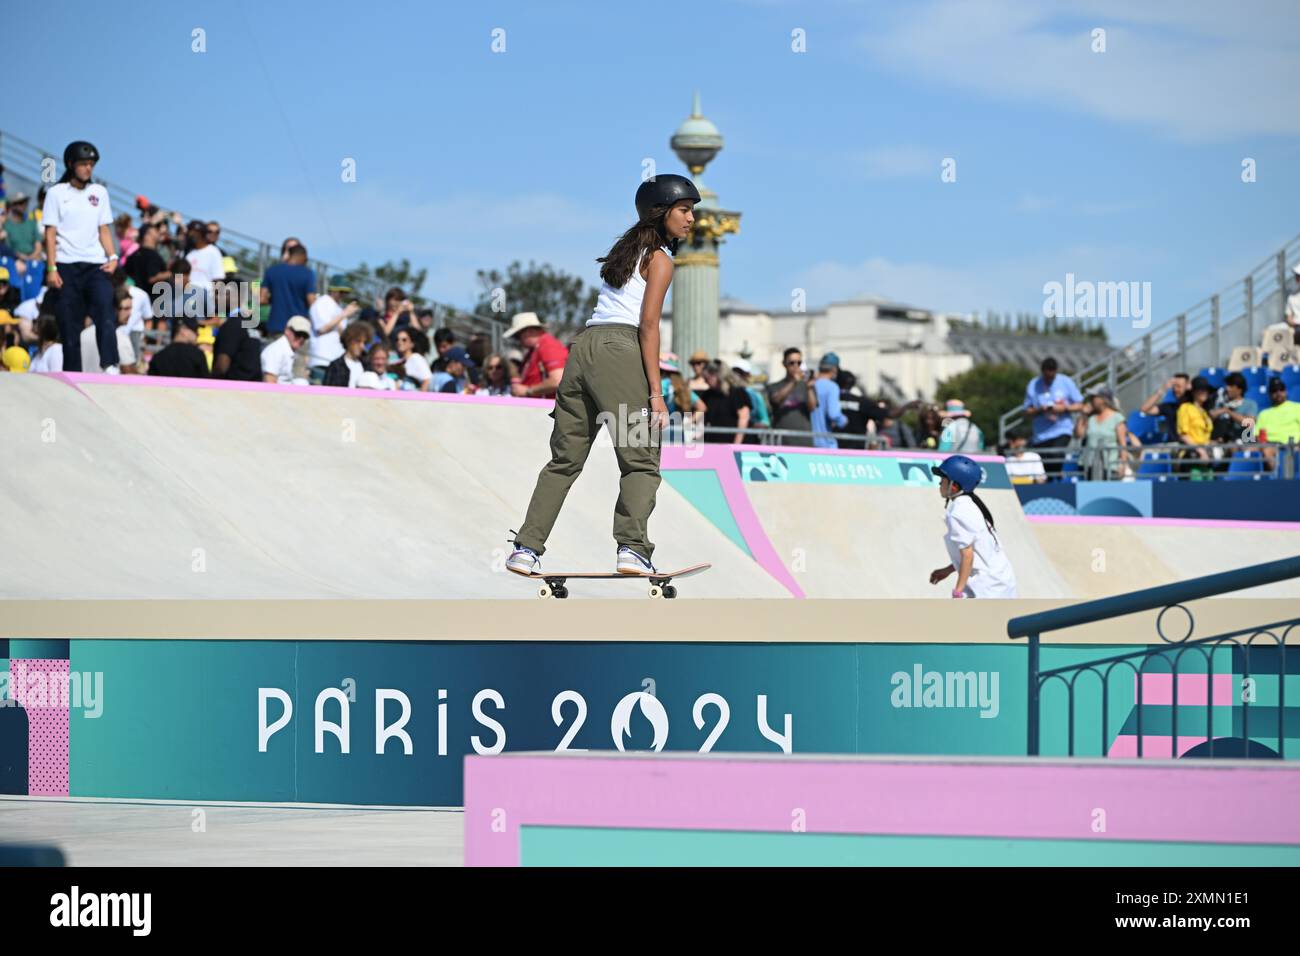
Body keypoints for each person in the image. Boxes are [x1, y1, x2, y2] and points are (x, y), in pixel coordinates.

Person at [507, 173, 700, 576]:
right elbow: (649, 326)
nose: (691, 218)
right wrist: (656, 394)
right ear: (660, 212)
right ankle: (632, 548)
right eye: (684, 210)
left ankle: (526, 548)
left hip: (583, 350)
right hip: (621, 353)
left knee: (563, 461)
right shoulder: (661, 259)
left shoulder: (625, 252)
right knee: (641, 460)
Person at [42, 141, 121, 373]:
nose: (88, 169)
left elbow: (104, 229)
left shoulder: (99, 193)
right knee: (69, 324)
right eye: (84, 164)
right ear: (70, 164)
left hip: (96, 265)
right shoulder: (56, 193)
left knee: (106, 310)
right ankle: (73, 374)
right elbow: (50, 233)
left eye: (91, 164)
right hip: (66, 266)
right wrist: (51, 268)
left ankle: (110, 364)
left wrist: (113, 256)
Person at [927, 454, 1018, 598]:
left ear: (954, 486)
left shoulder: (958, 512)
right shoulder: (970, 504)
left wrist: (958, 591)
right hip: (1000, 581)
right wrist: (948, 570)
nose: (939, 483)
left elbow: (968, 555)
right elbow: (975, 550)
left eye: (943, 479)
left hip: (987, 588)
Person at [1022, 357, 1084, 475]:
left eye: (1052, 375)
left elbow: (1081, 405)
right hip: (1041, 434)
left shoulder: (1066, 382)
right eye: (1047, 375)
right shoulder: (1033, 384)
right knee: (1043, 467)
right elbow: (1026, 411)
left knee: (1056, 455)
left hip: (1061, 430)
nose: (1049, 378)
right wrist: (1039, 409)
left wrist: (1064, 408)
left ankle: (1058, 479)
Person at [308, 275, 360, 384]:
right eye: (341, 291)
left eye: (345, 292)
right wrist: (345, 314)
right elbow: (321, 329)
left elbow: (341, 333)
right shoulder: (321, 303)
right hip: (321, 359)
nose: (343, 295)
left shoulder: (339, 307)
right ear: (333, 290)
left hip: (336, 361)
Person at [504, 311, 567, 399]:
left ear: (529, 331)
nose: (518, 340)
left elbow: (558, 380)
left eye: (518, 336)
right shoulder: (535, 349)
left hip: (545, 410)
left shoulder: (548, 345)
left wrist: (528, 390)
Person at [766, 347, 818, 446]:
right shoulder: (775, 386)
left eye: (799, 363)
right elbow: (776, 400)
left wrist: (809, 388)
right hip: (782, 441)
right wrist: (794, 382)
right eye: (791, 363)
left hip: (804, 441)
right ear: (784, 364)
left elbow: (812, 407)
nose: (795, 366)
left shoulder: (805, 386)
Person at [1075, 386, 1130, 479]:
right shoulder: (1091, 418)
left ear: (1103, 399)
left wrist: (1123, 464)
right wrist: (1083, 415)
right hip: (1089, 466)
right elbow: (1078, 434)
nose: (1090, 400)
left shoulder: (1117, 418)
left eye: (1093, 397)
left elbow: (1122, 444)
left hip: (1109, 467)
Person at [261, 244, 316, 335]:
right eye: (306, 259)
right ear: (302, 256)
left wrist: (274, 299)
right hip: (299, 329)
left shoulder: (272, 270)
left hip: (275, 326)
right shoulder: (308, 274)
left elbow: (261, 299)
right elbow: (312, 303)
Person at [80, 290, 138, 373]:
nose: (130, 313)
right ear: (114, 309)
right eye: (126, 309)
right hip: (107, 385)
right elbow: (129, 373)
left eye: (130, 309)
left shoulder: (84, 334)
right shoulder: (120, 337)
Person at [696, 360, 752, 444]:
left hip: (734, 443)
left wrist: (736, 445)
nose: (705, 381)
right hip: (713, 443)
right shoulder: (708, 395)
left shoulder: (737, 392)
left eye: (707, 378)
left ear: (716, 376)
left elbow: (743, 418)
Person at [1256, 377, 1300, 472]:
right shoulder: (1264, 413)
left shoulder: (1297, 408)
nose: (1278, 393)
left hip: (1294, 445)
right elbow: (1260, 436)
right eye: (1274, 390)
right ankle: (1278, 477)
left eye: (1281, 389)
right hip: (1272, 446)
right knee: (1263, 450)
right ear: (1270, 394)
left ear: (1286, 391)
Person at [1175, 376, 1215, 475]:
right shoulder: (1185, 408)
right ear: (1193, 392)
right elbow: (1183, 435)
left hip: (1206, 455)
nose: (1204, 392)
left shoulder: (1205, 412)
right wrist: (1200, 451)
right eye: (1201, 390)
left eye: (1206, 390)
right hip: (1192, 455)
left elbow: (1205, 435)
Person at [809, 353, 847, 448]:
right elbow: (833, 414)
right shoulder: (832, 387)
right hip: (825, 444)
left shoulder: (809, 385)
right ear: (834, 369)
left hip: (808, 442)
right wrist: (843, 420)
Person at [213, 310, 263, 381]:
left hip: (233, 385)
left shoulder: (233, 324)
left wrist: (212, 381)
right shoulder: (255, 326)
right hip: (254, 385)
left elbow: (222, 363)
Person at [261, 315, 312, 384]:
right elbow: (270, 381)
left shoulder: (288, 349)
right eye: (298, 334)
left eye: (305, 336)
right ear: (287, 330)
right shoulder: (276, 350)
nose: (301, 338)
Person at [1139, 373, 1190, 441]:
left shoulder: (1195, 404)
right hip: (1176, 446)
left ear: (1187, 386)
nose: (1175, 389)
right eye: (1174, 386)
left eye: (1179, 386)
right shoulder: (1169, 407)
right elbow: (1144, 409)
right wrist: (1162, 389)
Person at [322, 321, 374, 388]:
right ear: (348, 340)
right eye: (358, 341)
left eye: (364, 342)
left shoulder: (367, 365)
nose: (362, 346)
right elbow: (327, 391)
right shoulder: (336, 366)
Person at [731, 358, 770, 443]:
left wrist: (751, 425)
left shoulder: (755, 395)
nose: (737, 376)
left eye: (741, 373)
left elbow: (765, 421)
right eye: (734, 372)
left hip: (748, 441)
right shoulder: (727, 393)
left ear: (748, 375)